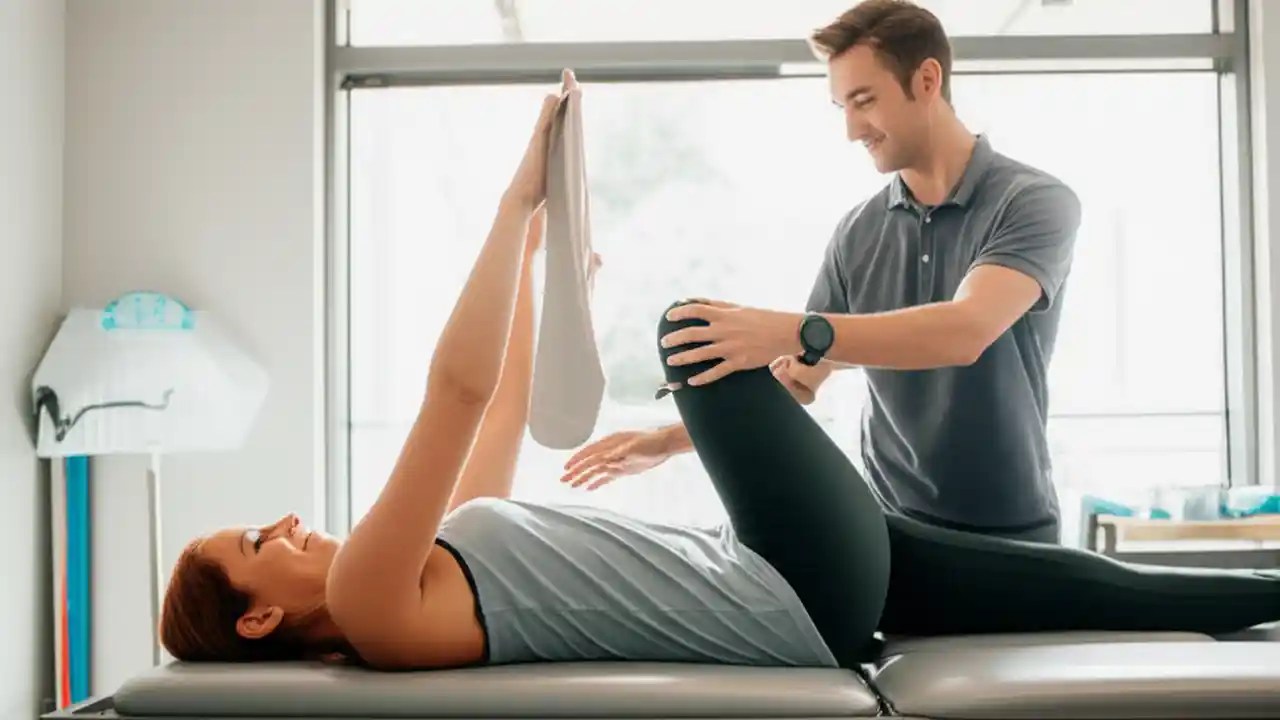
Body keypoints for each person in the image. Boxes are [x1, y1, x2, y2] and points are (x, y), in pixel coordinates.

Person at [159, 72, 1280, 673]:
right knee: (694, 331)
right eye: (258, 544)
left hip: (808, 582)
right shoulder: (371, 600)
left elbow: (502, 402)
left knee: (1115, 599)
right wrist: (512, 209)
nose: (289, 522)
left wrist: (548, 279)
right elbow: (449, 397)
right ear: (257, 621)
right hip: (792, 585)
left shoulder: (420, 572)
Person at [565, 0, 1077, 544]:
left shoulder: (1034, 201)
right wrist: (667, 441)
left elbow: (965, 330)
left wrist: (794, 330)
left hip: (1016, 535)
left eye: (864, 101)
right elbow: (797, 380)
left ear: (927, 79)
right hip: (895, 535)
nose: (854, 131)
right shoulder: (858, 233)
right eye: (842, 108)